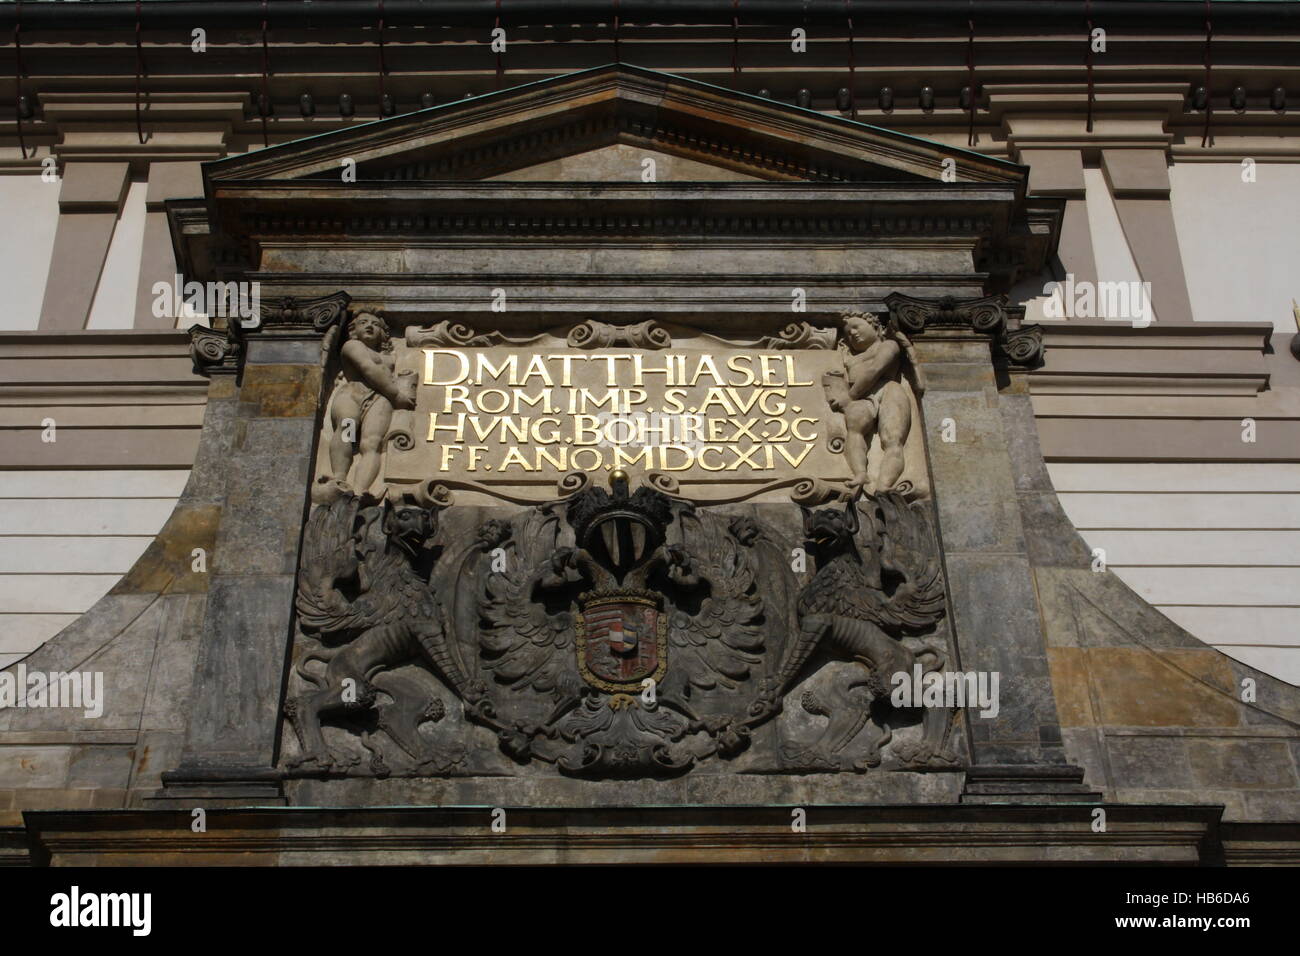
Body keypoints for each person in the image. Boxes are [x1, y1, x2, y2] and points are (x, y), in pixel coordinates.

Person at [823, 310, 918, 494]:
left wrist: (849, 396)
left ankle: (884, 485)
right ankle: (860, 473)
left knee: (892, 441)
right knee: (854, 430)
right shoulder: (849, 356)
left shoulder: (888, 345)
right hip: (862, 398)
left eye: (856, 327)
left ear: (874, 326)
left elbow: (875, 370)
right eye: (849, 333)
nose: (853, 334)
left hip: (888, 391)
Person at [326, 312, 417, 496]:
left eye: (375, 324)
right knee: (347, 426)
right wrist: (397, 395)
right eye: (363, 323)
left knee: (372, 444)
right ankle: (340, 477)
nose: (369, 326)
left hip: (380, 399)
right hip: (353, 394)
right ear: (354, 330)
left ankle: (361, 490)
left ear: (383, 333)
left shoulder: (390, 356)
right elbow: (368, 369)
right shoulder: (353, 346)